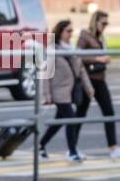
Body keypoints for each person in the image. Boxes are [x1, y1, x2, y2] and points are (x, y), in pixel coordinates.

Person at [76, 11, 120, 158]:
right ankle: (72, 148)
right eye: (103, 23)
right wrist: (99, 59)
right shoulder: (85, 35)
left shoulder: (100, 38)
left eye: (107, 23)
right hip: (88, 80)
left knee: (109, 112)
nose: (105, 26)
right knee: (80, 114)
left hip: (100, 79)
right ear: (95, 22)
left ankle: (114, 148)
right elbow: (78, 55)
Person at [39, 19, 93, 162]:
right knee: (71, 119)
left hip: (70, 91)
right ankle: (72, 151)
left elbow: (81, 70)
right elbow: (45, 74)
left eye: (71, 31)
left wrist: (89, 87)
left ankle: (41, 145)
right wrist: (46, 95)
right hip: (59, 92)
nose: (70, 34)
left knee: (59, 121)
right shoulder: (52, 50)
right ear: (60, 32)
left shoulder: (71, 49)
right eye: (68, 31)